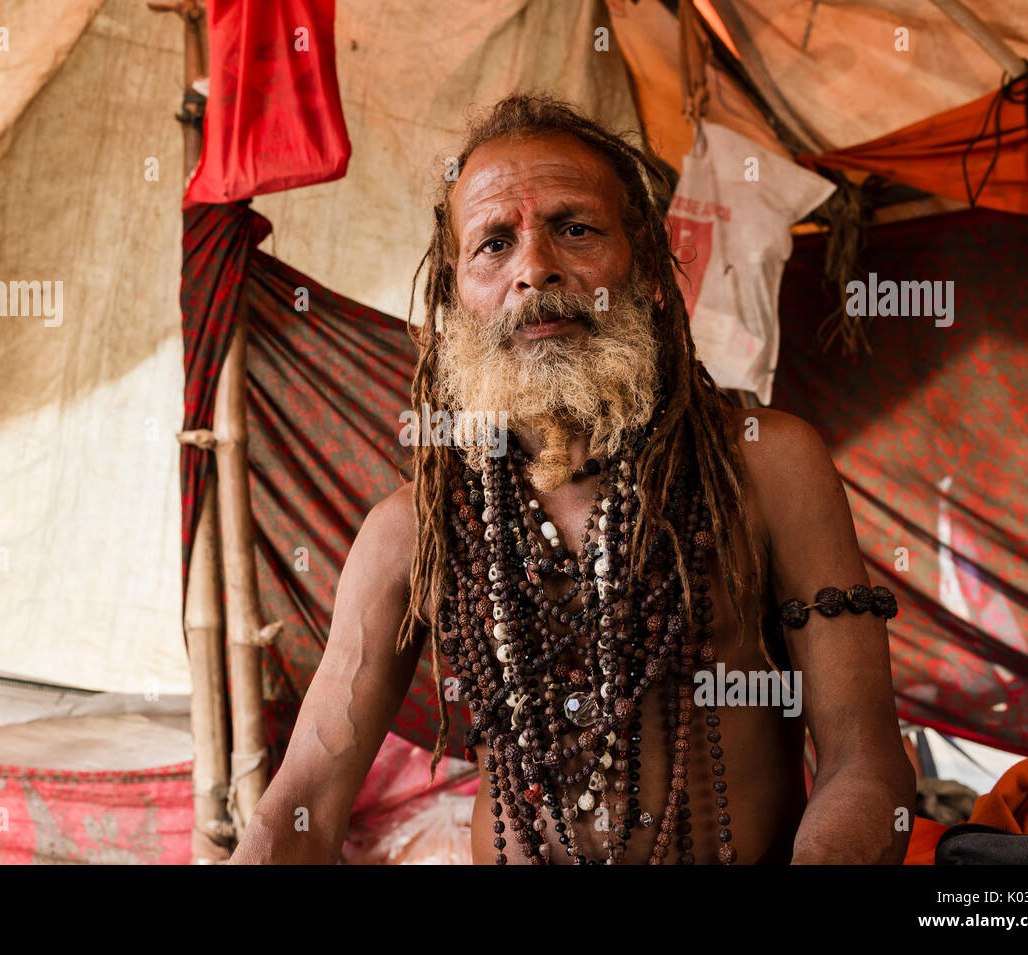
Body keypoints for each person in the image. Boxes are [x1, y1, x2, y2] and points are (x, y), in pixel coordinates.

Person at [229, 92, 913, 865]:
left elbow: (868, 761)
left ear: (649, 266)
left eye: (574, 228)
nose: (535, 268)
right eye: (494, 243)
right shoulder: (414, 529)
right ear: (456, 301)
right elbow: (301, 805)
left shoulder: (767, 464)